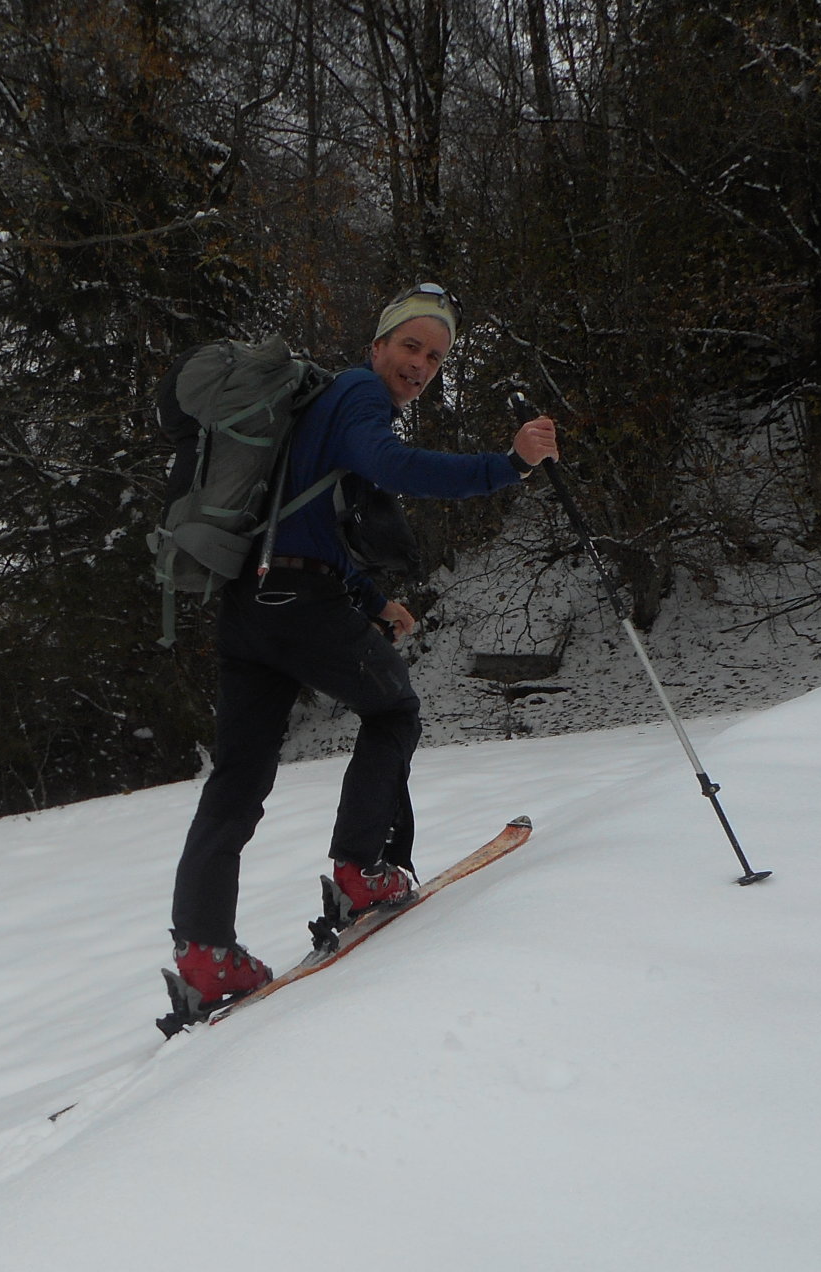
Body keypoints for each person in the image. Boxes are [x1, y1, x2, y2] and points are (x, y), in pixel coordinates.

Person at [166, 283, 558, 1012]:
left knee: (238, 781)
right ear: (377, 346)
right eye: (411, 346)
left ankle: (205, 950)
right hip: (299, 608)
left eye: (435, 357)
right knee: (395, 712)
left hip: (249, 607)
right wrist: (506, 464)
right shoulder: (358, 395)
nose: (420, 365)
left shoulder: (316, 409)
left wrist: (375, 602)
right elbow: (392, 467)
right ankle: (362, 870)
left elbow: (300, 519)